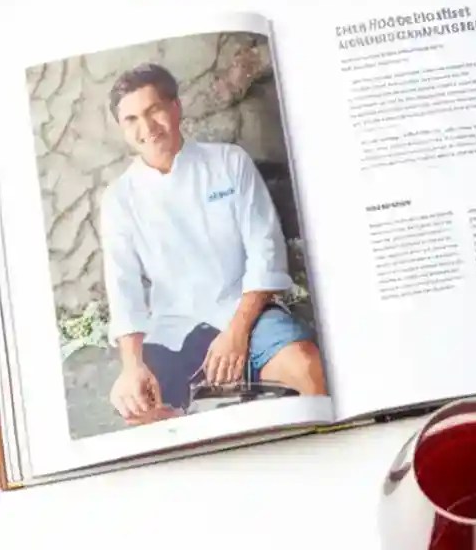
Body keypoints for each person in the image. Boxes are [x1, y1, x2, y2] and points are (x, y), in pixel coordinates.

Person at [100, 63, 326, 426]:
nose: (147, 128)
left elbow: (265, 252)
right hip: (174, 327)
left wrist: (236, 333)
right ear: (122, 128)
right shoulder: (118, 198)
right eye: (131, 119)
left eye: (154, 110)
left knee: (306, 367)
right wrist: (132, 366)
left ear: (175, 107)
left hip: (246, 313)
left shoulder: (228, 163)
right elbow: (123, 287)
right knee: (140, 412)